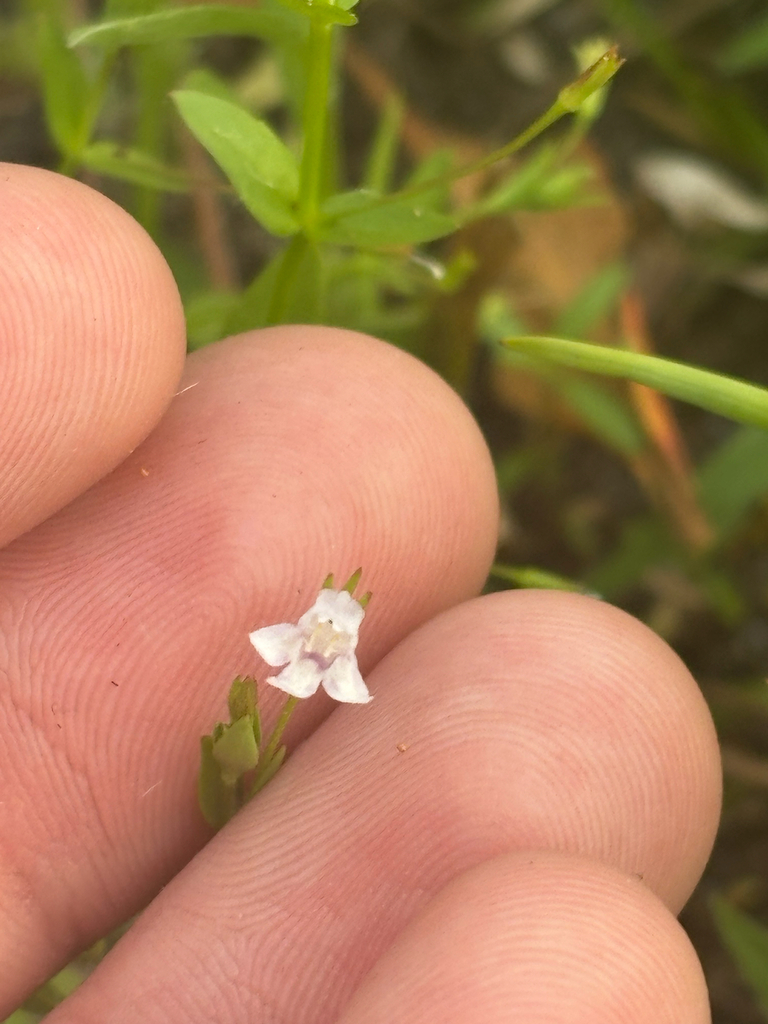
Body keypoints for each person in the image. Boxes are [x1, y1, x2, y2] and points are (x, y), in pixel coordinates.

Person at [0, 163, 720, 1023]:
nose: (331, 634)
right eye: (327, 625)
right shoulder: (288, 653)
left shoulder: (311, 662)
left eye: (337, 629)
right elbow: (286, 659)